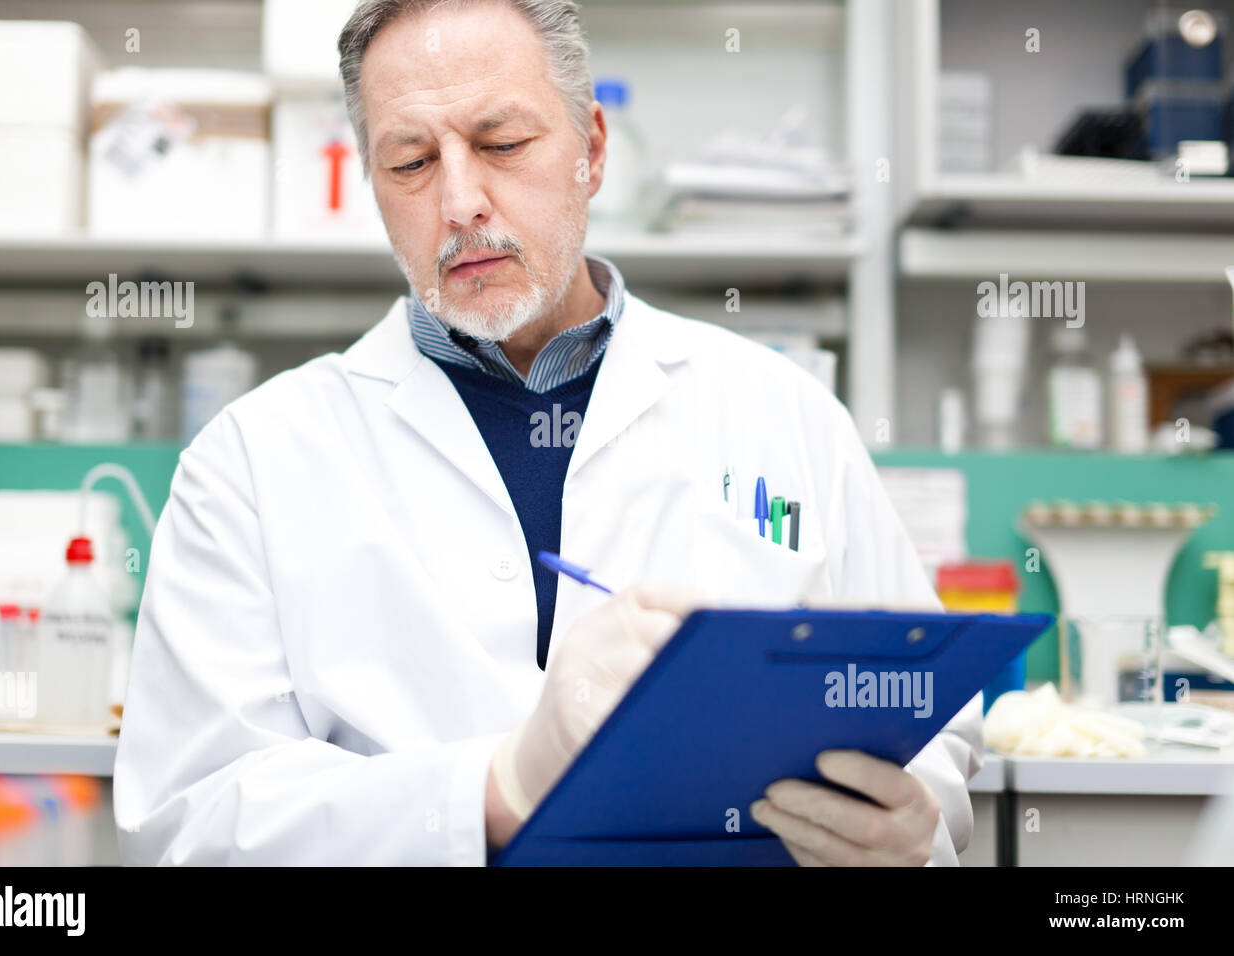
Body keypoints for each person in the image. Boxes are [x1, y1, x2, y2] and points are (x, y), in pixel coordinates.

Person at [114, 0, 982, 866]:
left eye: (501, 144)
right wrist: (495, 789)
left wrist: (913, 833)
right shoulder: (250, 463)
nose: (460, 202)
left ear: (593, 149)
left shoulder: (781, 414)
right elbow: (191, 823)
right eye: (411, 161)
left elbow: (928, 721)